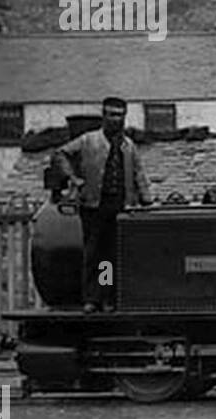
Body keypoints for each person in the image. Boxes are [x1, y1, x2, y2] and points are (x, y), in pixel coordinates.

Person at [51, 96, 152, 312]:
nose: (116, 120)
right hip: (93, 206)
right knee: (92, 253)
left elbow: (138, 173)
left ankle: (107, 298)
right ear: (103, 116)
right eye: (111, 115)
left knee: (110, 256)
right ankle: (90, 299)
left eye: (120, 115)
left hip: (120, 207)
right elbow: (60, 154)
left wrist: (147, 199)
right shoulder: (88, 140)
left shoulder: (129, 146)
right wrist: (74, 179)